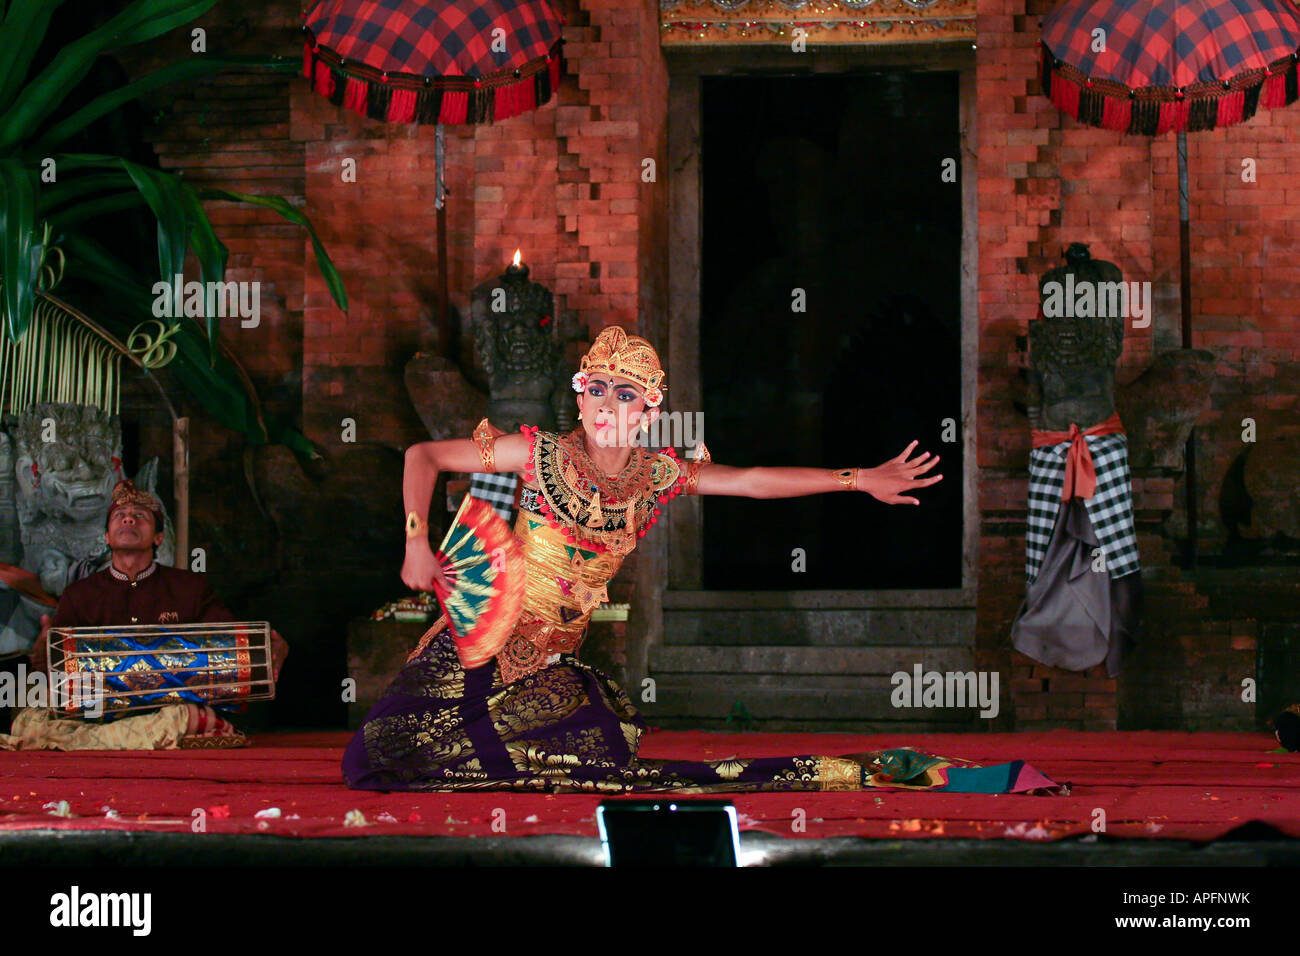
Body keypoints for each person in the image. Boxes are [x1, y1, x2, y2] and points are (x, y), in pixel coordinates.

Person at [343, 326, 1058, 794]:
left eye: (623, 394)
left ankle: (872, 773)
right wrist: (415, 538)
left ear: (648, 409)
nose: (604, 405)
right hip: (479, 646)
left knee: (593, 773)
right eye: (595, 388)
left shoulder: (657, 475)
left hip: (551, 662)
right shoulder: (538, 454)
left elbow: (749, 481)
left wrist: (858, 478)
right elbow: (425, 456)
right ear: (581, 394)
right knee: (375, 757)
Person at [1, 479, 287, 750]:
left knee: (182, 716)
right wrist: (42, 656)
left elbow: (230, 648)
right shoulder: (80, 593)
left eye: (141, 515)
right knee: (30, 720)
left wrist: (266, 651)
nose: (129, 519)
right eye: (120, 516)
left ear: (158, 537)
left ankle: (102, 742)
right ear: (106, 537)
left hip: (169, 708)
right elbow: (58, 672)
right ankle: (134, 737)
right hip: (98, 712)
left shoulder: (189, 587)